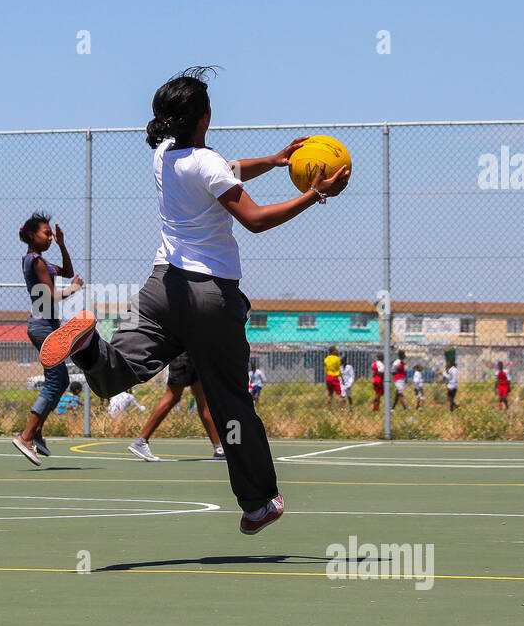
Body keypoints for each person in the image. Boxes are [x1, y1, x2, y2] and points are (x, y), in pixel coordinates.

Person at [37, 66, 349, 535]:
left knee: (114, 373)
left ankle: (87, 347)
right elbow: (256, 219)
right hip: (210, 297)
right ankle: (258, 502)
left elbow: (226, 173)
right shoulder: (207, 163)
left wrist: (276, 160)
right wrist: (312, 195)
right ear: (204, 116)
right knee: (231, 404)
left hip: (162, 288)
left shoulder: (163, 155)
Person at [12, 214, 83, 465]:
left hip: (47, 328)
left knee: (62, 379)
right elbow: (50, 295)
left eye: (52, 235)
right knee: (55, 381)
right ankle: (27, 435)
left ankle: (38, 432)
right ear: (32, 236)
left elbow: (69, 271)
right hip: (43, 328)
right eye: (47, 233)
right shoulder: (36, 261)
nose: (50, 238)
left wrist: (63, 244)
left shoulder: (42, 261)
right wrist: (73, 289)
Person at [128, 352, 225, 462]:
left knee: (202, 399)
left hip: (195, 356)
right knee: (172, 397)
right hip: (185, 356)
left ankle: (219, 448)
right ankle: (141, 441)